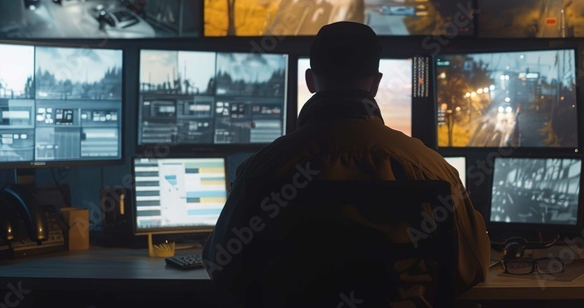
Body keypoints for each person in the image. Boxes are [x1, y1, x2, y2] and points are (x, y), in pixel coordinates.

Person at [203, 21, 490, 305]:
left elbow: (223, 268)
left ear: (310, 81)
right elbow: (471, 268)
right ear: (375, 85)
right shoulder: (429, 168)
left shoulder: (261, 170)